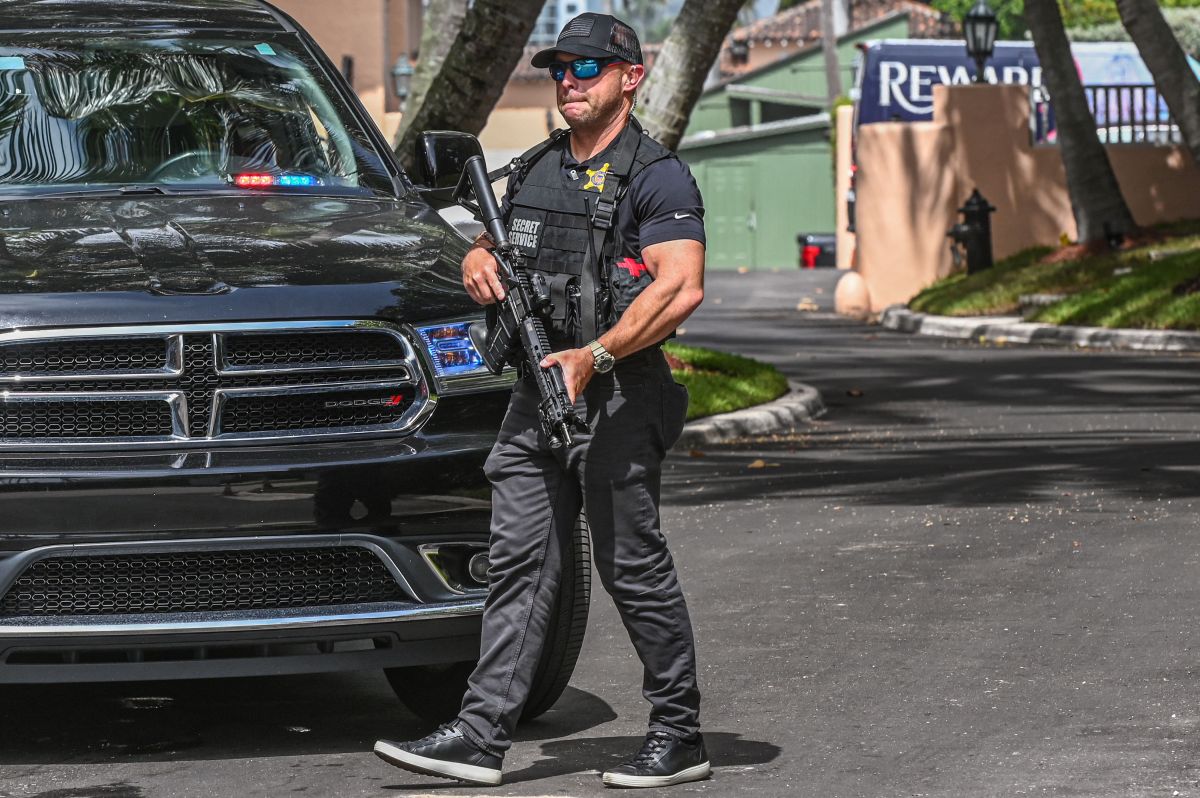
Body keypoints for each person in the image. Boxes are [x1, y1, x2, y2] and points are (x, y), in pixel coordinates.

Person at [375, 12, 708, 789]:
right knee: (520, 564)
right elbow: (491, 242)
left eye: (589, 69)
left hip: (619, 390)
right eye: (561, 68)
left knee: (631, 564)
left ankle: (679, 731)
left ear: (631, 78)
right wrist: (474, 263)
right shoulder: (532, 168)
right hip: (538, 393)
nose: (570, 81)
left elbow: (682, 285)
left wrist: (594, 356)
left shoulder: (656, 175)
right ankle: (482, 734)